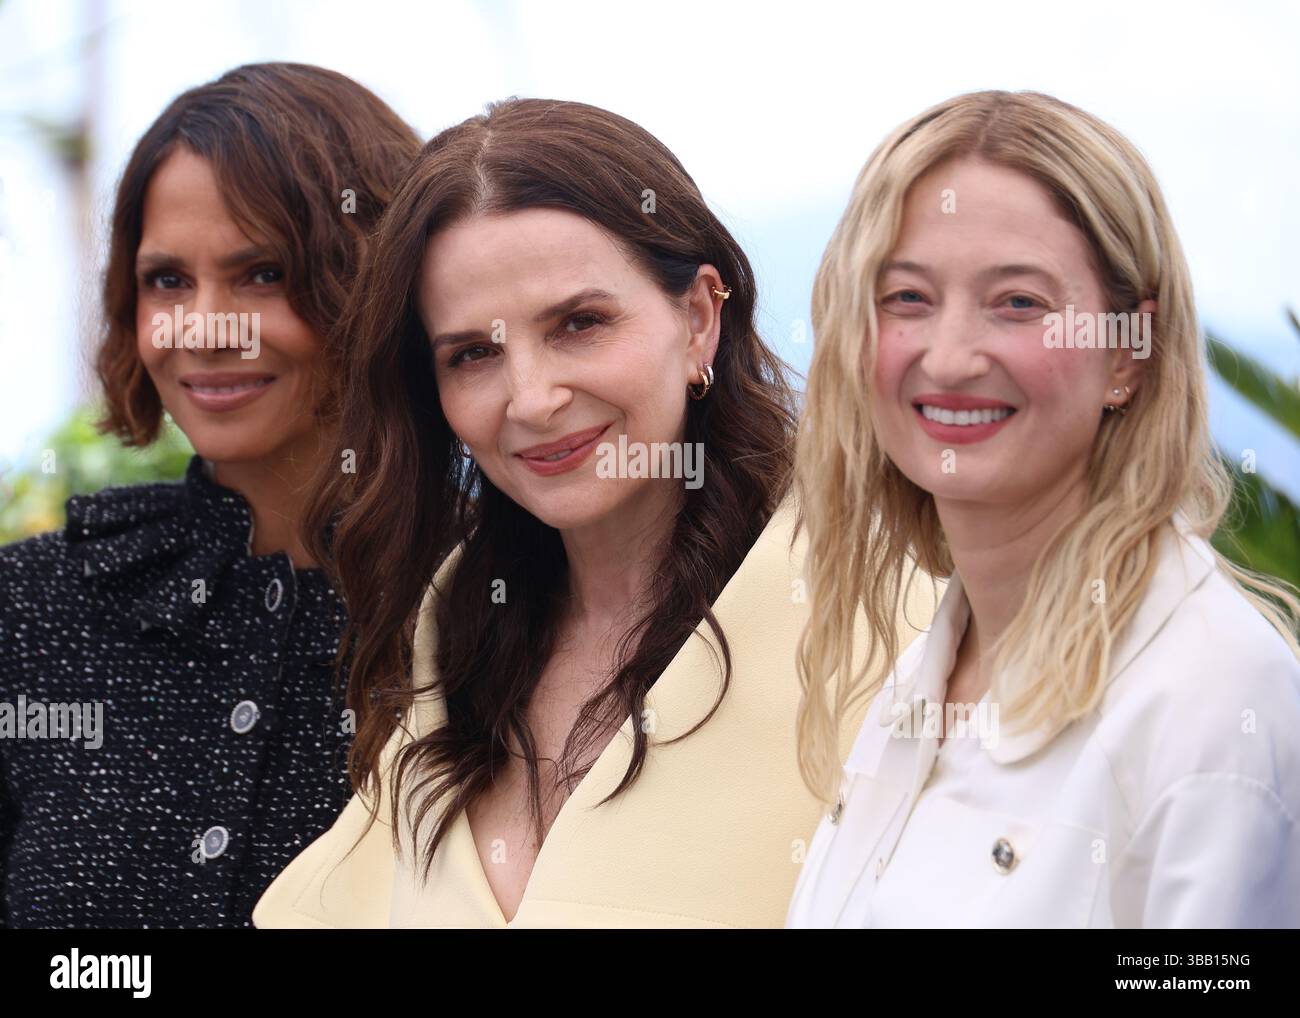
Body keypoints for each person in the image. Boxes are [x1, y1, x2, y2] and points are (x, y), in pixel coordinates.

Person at [252, 97, 936, 928]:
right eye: (473, 354)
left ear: (697, 319)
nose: (532, 399)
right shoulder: (454, 623)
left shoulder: (891, 616)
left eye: (579, 324)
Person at [785, 89, 1300, 928]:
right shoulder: (926, 672)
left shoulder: (1210, 702)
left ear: (1130, 353)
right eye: (907, 298)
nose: (949, 356)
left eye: (1019, 303)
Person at [0, 62, 421, 927]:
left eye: (263, 272)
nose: (203, 326)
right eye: (167, 281)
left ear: (377, 277)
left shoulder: (500, 609)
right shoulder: (28, 606)